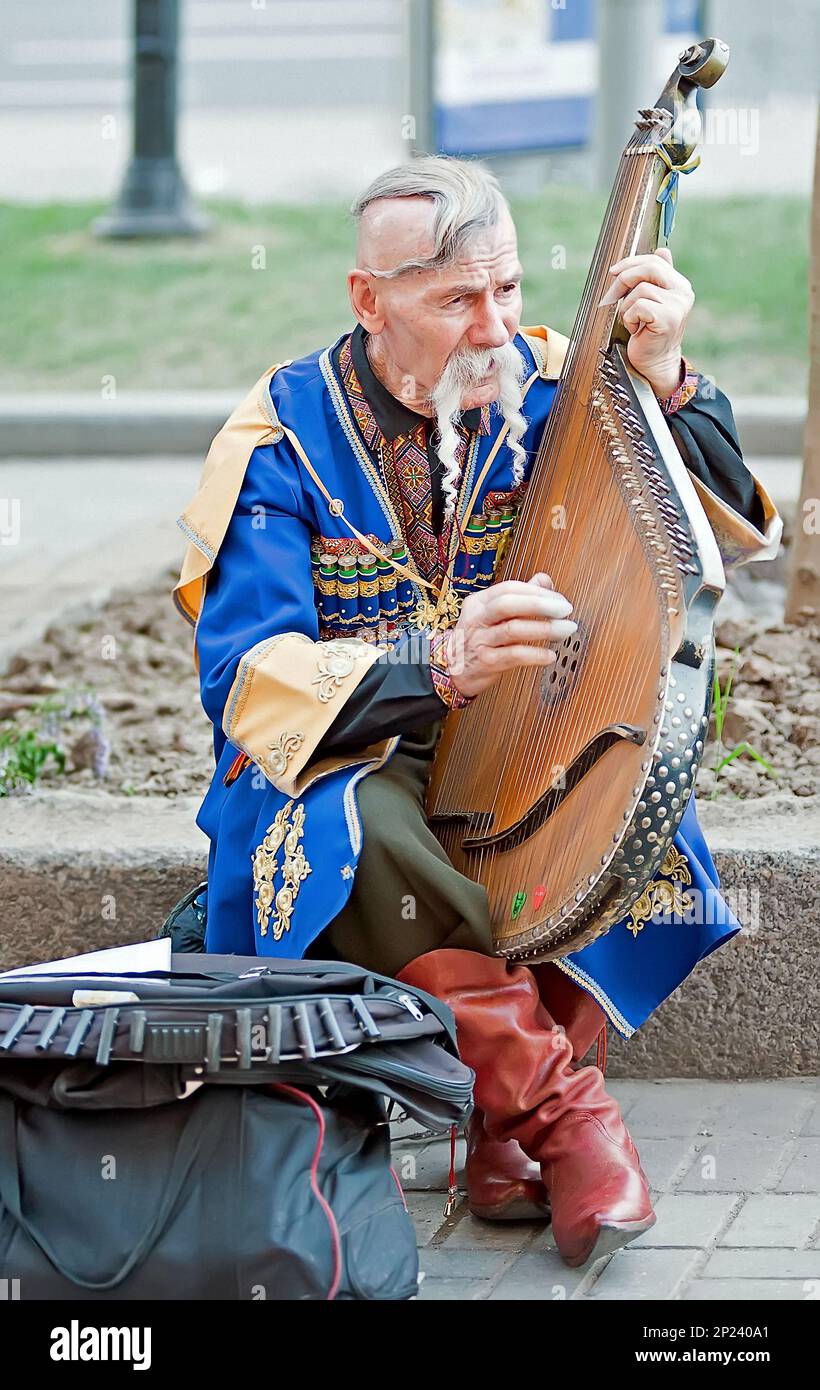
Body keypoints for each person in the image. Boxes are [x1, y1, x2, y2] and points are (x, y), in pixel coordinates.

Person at [173, 157, 781, 1268]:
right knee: (361, 831)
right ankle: (559, 1119)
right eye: (454, 299)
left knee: (640, 794)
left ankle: (505, 1133)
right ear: (368, 301)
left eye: (503, 289)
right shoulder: (282, 438)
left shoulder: (557, 380)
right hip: (351, 759)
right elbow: (248, 682)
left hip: (529, 736)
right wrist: (437, 663)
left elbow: (723, 527)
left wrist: (664, 378)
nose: (493, 323)